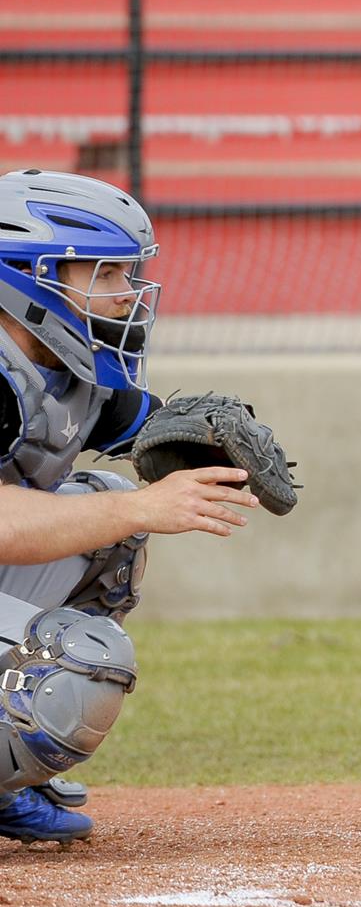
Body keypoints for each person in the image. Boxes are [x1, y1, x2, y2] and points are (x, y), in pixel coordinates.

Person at [0, 169, 261, 843]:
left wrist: (218, 448)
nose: (125, 292)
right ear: (29, 275)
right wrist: (145, 507)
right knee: (75, 663)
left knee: (110, 520)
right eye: (104, 272)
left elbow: (152, 429)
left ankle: (8, 773)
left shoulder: (69, 365)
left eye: (126, 271)